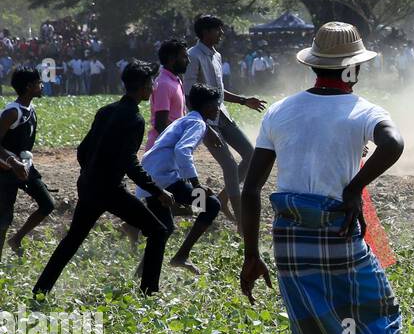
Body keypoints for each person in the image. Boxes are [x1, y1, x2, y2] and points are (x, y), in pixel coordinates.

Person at [238, 22, 406, 334]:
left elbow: (250, 189)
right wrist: (355, 188)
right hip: (338, 234)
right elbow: (394, 144)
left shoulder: (278, 112)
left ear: (314, 66)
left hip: (289, 242)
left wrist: (252, 254)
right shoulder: (363, 110)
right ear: (352, 67)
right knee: (385, 316)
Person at [33, 61, 181, 298]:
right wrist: (158, 191)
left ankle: (41, 289)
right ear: (144, 86)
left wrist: (91, 174)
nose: (153, 87)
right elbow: (129, 163)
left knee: (73, 239)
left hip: (89, 185)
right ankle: (149, 292)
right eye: (151, 83)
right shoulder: (135, 119)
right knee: (158, 231)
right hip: (110, 189)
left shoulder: (106, 111)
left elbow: (82, 150)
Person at [184, 15, 266, 228]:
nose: (221, 33)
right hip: (206, 120)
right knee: (229, 166)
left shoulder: (216, 56)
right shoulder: (192, 56)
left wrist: (243, 100)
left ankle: (223, 198)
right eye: (217, 30)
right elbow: (189, 95)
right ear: (205, 32)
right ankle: (241, 221)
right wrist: (204, 127)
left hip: (223, 114)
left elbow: (218, 91)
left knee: (251, 153)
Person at [138, 83, 224, 275]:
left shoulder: (186, 119)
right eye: (215, 105)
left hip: (151, 177)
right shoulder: (198, 123)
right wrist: (197, 186)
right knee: (211, 204)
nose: (218, 108)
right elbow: (182, 151)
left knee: (164, 228)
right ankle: (181, 256)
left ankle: (141, 273)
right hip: (164, 179)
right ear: (207, 107)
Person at [0, 67, 56, 261]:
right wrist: (12, 162)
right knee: (3, 219)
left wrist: (23, 164)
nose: (42, 86)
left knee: (48, 204)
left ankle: (16, 240)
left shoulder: (30, 110)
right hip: (6, 172)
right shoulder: (12, 112)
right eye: (39, 83)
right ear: (30, 86)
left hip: (24, 169)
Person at [148, 39, 189, 150]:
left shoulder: (176, 80)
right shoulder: (164, 84)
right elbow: (161, 124)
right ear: (171, 59)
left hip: (172, 146)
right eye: (184, 57)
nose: (188, 61)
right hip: (162, 150)